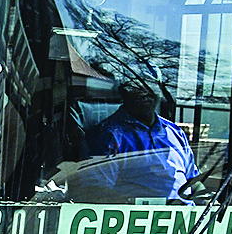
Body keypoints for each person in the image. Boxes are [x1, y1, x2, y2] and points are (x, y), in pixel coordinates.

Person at [75, 70, 198, 203]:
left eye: (151, 85)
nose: (145, 92)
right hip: (143, 219)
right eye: (136, 87)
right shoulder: (108, 136)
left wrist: (206, 199)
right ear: (123, 92)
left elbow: (193, 179)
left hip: (189, 219)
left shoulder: (174, 132)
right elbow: (96, 191)